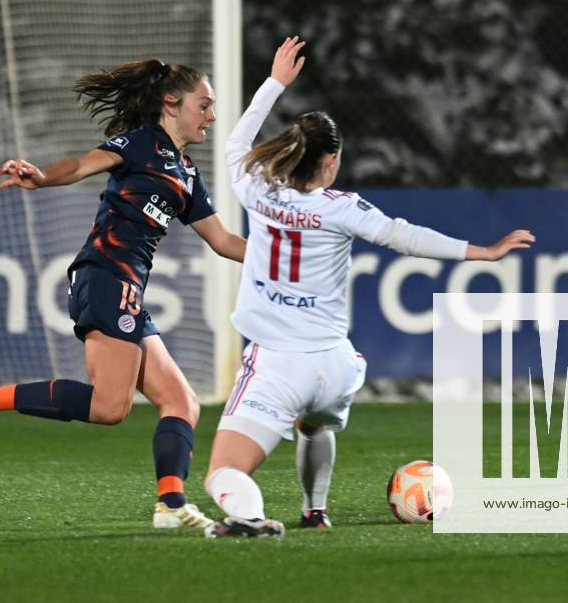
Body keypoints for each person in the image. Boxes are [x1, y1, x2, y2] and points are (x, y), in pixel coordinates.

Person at [202, 37, 535, 538]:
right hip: (335, 365)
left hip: (277, 362)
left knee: (223, 472)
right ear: (330, 162)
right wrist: (482, 251)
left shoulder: (253, 183)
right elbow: (405, 236)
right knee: (314, 425)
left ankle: (248, 518)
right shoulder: (341, 208)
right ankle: (315, 510)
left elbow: (234, 142)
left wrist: (276, 83)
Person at [0, 59, 246, 530]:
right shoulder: (143, 142)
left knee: (182, 401)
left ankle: (171, 505)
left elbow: (223, 242)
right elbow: (82, 164)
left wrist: (284, 253)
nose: (212, 116)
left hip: (128, 291)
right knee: (109, 407)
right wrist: (42, 177)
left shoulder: (187, 174)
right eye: (205, 105)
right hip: (104, 276)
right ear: (171, 104)